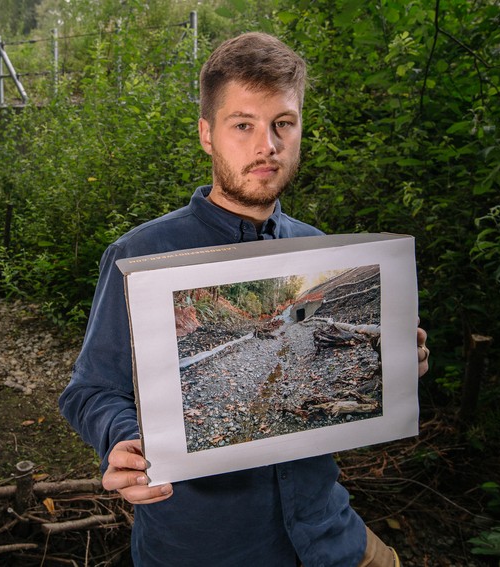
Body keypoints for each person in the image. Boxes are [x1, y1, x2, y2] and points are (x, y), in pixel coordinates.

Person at [59, 32, 430, 566]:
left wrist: (393, 362)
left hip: (329, 534)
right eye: (243, 125)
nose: (268, 146)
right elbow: (90, 391)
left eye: (283, 123)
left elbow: (331, 368)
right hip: (206, 548)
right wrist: (122, 441)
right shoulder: (141, 255)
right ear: (207, 135)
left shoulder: (317, 247)